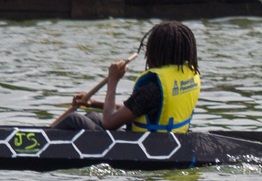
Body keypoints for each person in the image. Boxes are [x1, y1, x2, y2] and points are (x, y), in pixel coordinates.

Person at [53, 21, 201, 132]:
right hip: (166, 139)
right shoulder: (189, 75)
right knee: (91, 116)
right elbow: (138, 108)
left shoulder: (153, 88)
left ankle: (39, 145)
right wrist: (94, 103)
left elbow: (109, 122)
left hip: (149, 146)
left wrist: (113, 81)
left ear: (157, 52)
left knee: (74, 120)